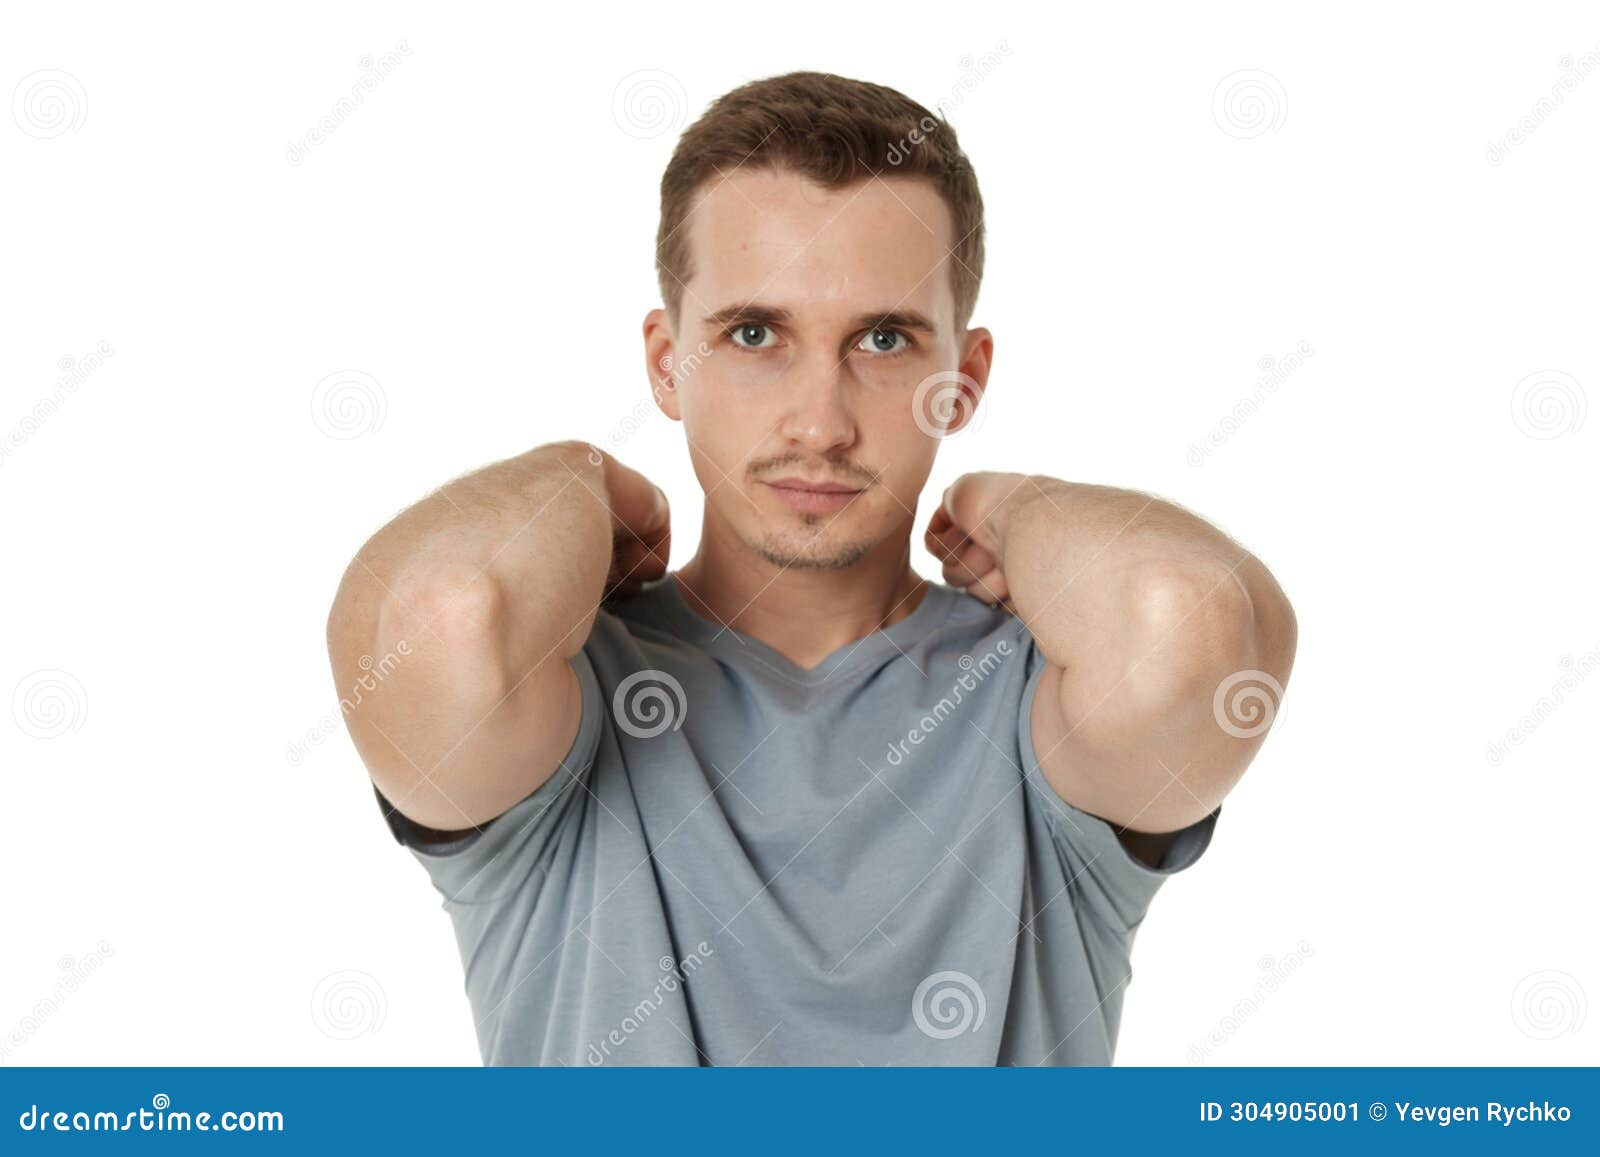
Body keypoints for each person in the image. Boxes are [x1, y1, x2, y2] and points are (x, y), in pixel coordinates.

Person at [325, 71, 1297, 1065]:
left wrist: (1017, 504)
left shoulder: (1034, 696)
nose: (819, 424)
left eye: (883, 339)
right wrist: (576, 478)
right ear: (667, 363)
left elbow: (1189, 621)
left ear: (961, 380)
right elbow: (443, 618)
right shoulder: (565, 690)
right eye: (754, 334)